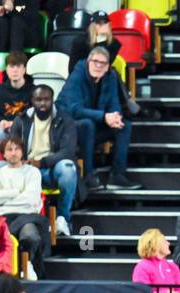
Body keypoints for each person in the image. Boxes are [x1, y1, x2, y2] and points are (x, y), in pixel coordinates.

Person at [58, 46, 139, 190]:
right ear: (88, 62)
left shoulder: (111, 76)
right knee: (88, 124)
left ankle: (117, 175)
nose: (99, 66)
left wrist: (115, 117)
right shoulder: (77, 74)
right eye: (95, 61)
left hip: (96, 123)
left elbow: (114, 102)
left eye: (103, 63)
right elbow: (74, 110)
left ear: (108, 66)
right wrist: (104, 117)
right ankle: (88, 175)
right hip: (69, 127)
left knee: (124, 126)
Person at [9, 84, 80, 239]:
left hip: (51, 169)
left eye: (46, 99)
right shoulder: (21, 120)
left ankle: (63, 218)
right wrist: (20, 161)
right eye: (38, 99)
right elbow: (10, 146)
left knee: (68, 168)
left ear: (52, 100)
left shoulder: (64, 120)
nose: (42, 103)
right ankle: (8, 219)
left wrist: (42, 162)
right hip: (25, 168)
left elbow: (67, 151)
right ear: (32, 101)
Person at [0, 136, 47, 276]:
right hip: (1, 217)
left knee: (31, 236)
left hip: (27, 216)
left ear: (22, 151)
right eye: (9, 149)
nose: (13, 153)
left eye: (17, 149)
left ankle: (29, 265)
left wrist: (4, 199)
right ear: (4, 153)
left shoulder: (33, 172)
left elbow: (30, 199)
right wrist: (16, 192)